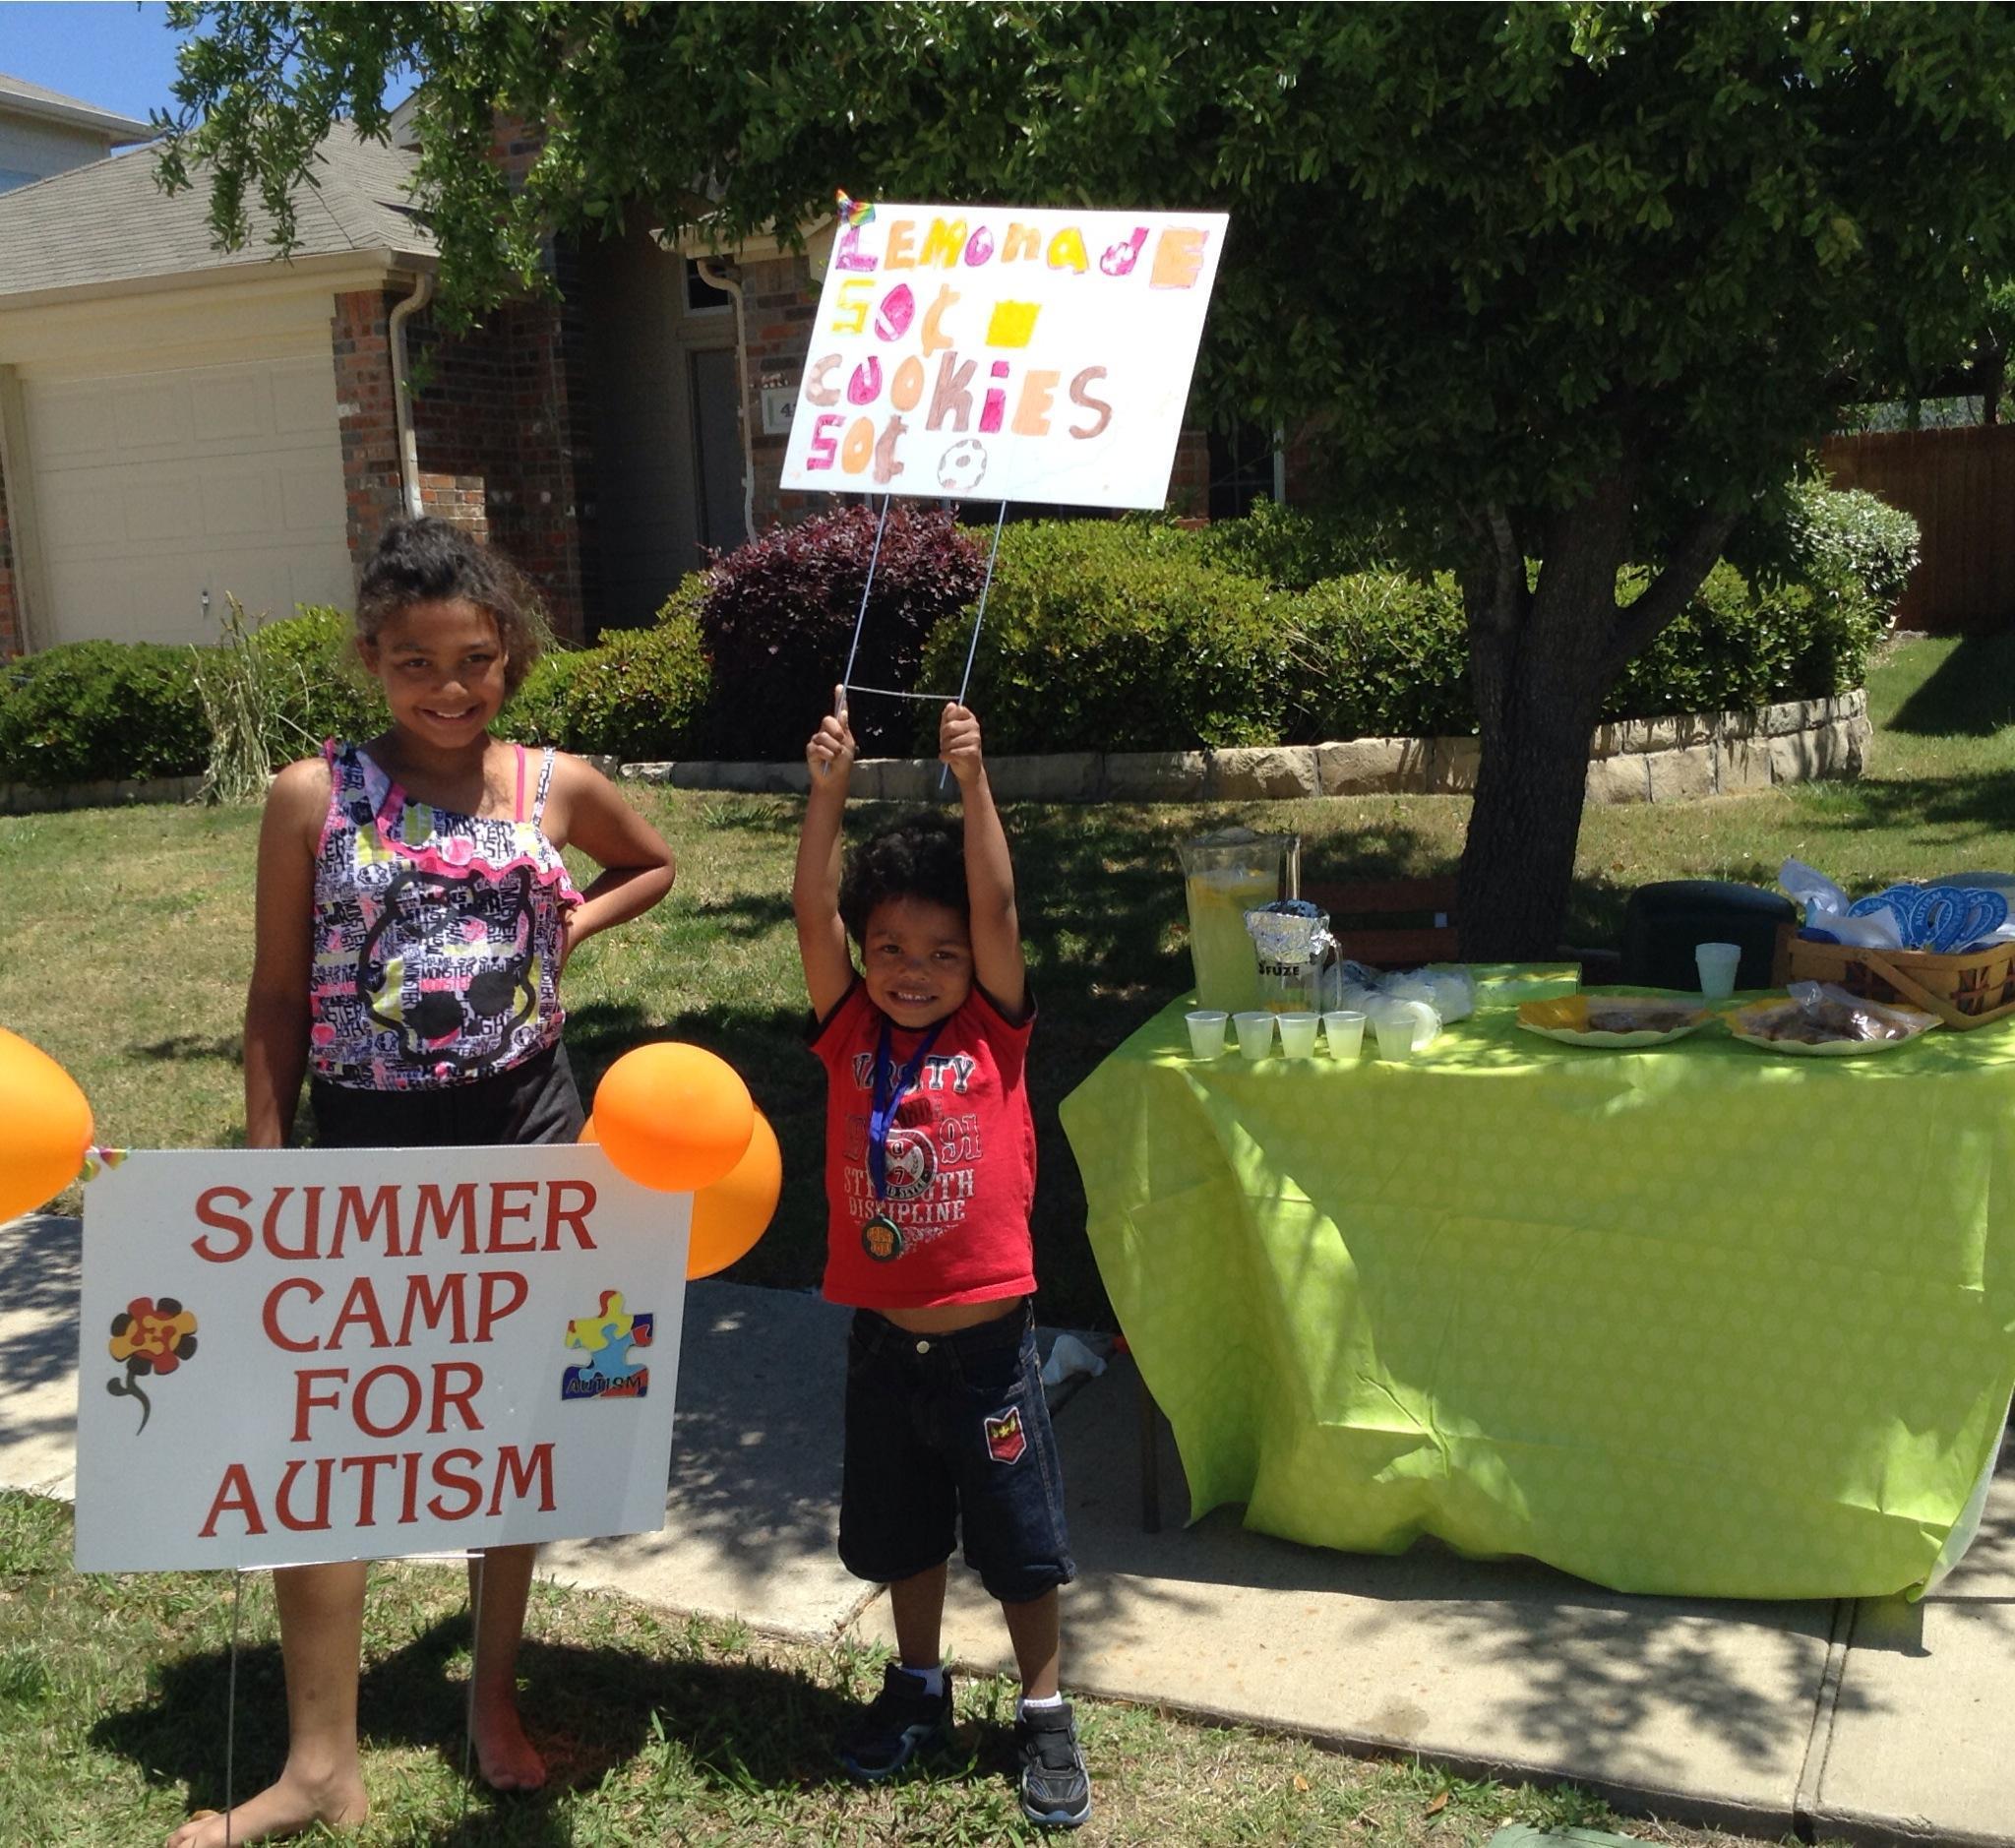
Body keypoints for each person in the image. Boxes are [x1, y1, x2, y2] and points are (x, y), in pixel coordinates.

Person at [170, 518, 676, 1848]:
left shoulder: (553, 786)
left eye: (472, 659)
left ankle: (490, 1703)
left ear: (508, 649)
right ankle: (318, 1760)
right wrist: (271, 1166)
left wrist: (576, 914)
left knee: (514, 1433)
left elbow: (654, 861)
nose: (447, 688)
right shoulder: (310, 795)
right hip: (363, 1156)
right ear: (372, 661)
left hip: (527, 1143)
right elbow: (278, 994)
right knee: (320, 1445)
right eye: (413, 662)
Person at [793, 690, 1090, 1830]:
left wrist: (974, 782)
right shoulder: (846, 1028)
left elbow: (999, 900)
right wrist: (827, 793)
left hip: (987, 1355)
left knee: (1019, 1543)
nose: (911, 969)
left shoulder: (993, 1027)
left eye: (939, 952)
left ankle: (1043, 1707)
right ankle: (917, 1686)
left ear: (978, 961)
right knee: (901, 1530)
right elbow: (810, 911)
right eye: (890, 951)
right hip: (883, 1346)